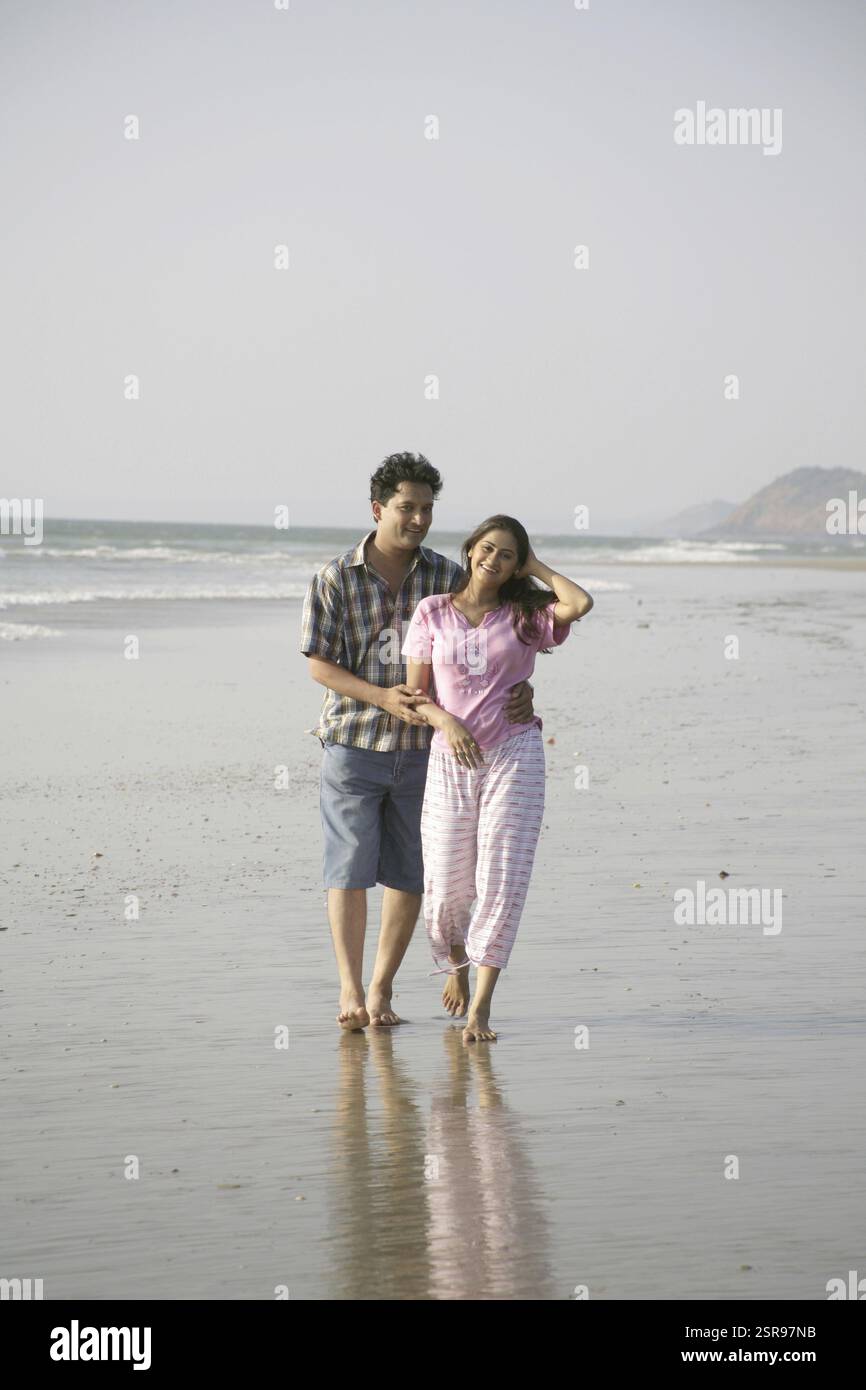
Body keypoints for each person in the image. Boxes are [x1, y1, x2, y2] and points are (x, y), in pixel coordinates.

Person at [300, 455, 537, 1030]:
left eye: (428, 509)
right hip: (352, 742)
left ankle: (381, 993)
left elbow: (495, 633)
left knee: (412, 873)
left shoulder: (443, 577)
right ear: (379, 509)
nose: (419, 519)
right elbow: (319, 667)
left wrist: (523, 685)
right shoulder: (335, 578)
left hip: (426, 751)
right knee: (349, 869)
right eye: (407, 508)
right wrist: (382, 697)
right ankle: (350, 991)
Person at [401, 515, 593, 1042]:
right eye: (488, 548)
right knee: (444, 890)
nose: (494, 559)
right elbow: (414, 696)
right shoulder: (432, 613)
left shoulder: (525, 615)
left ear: (516, 565)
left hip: (515, 755)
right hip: (450, 758)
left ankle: (481, 1005)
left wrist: (534, 566)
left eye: (508, 555)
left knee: (501, 879)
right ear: (469, 550)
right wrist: (446, 720)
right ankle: (456, 961)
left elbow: (578, 603)